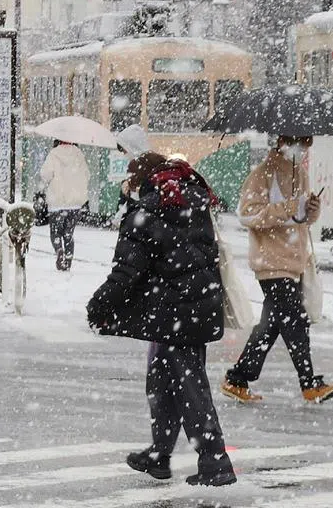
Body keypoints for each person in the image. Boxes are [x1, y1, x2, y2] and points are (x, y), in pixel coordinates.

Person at [86, 152, 236, 487]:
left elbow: (127, 271)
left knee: (189, 387)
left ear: (142, 179)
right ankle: (160, 453)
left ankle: (215, 460)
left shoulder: (150, 211)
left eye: (130, 179)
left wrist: (98, 307)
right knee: (163, 383)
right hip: (194, 306)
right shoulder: (191, 200)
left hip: (175, 313)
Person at [220, 135, 333, 405]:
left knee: (271, 325)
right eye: (301, 140)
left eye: (308, 142)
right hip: (271, 262)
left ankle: (238, 377)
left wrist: (311, 210)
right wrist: (286, 208)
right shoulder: (262, 174)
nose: (305, 146)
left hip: (295, 261)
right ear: (283, 140)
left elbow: (303, 221)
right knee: (295, 320)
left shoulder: (302, 174)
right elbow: (248, 215)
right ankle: (309, 383)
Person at [39, 139, 89, 271]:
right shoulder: (79, 154)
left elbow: (45, 175)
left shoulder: (54, 154)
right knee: (68, 234)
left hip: (57, 202)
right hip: (75, 203)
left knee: (55, 233)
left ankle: (59, 250)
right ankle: (68, 259)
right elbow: (87, 175)